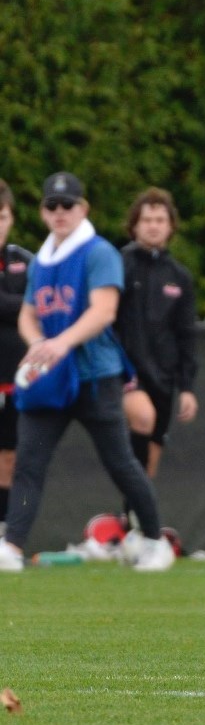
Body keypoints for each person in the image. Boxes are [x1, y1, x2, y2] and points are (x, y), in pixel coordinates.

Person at [0, 172, 173, 572]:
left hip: (95, 376)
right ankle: (11, 546)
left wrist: (60, 343)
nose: (60, 212)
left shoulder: (98, 252)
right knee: (29, 462)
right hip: (50, 379)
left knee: (120, 462)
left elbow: (104, 310)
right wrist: (37, 343)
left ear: (83, 209)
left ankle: (154, 539)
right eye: (52, 205)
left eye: (68, 205)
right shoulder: (42, 260)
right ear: (43, 212)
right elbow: (28, 314)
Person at [117, 188, 200, 489]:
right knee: (142, 417)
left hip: (162, 377)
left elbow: (186, 334)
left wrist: (187, 387)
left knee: (149, 463)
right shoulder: (119, 264)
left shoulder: (179, 276)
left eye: (160, 220)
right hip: (124, 372)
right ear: (134, 225)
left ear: (170, 226)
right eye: (147, 220)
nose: (153, 226)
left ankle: (134, 515)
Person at [0, 180, 33, 546]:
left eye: (2, 217)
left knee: (10, 455)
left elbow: (36, 305)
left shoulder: (25, 260)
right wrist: (16, 305)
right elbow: (20, 306)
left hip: (14, 377)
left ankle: (4, 530)